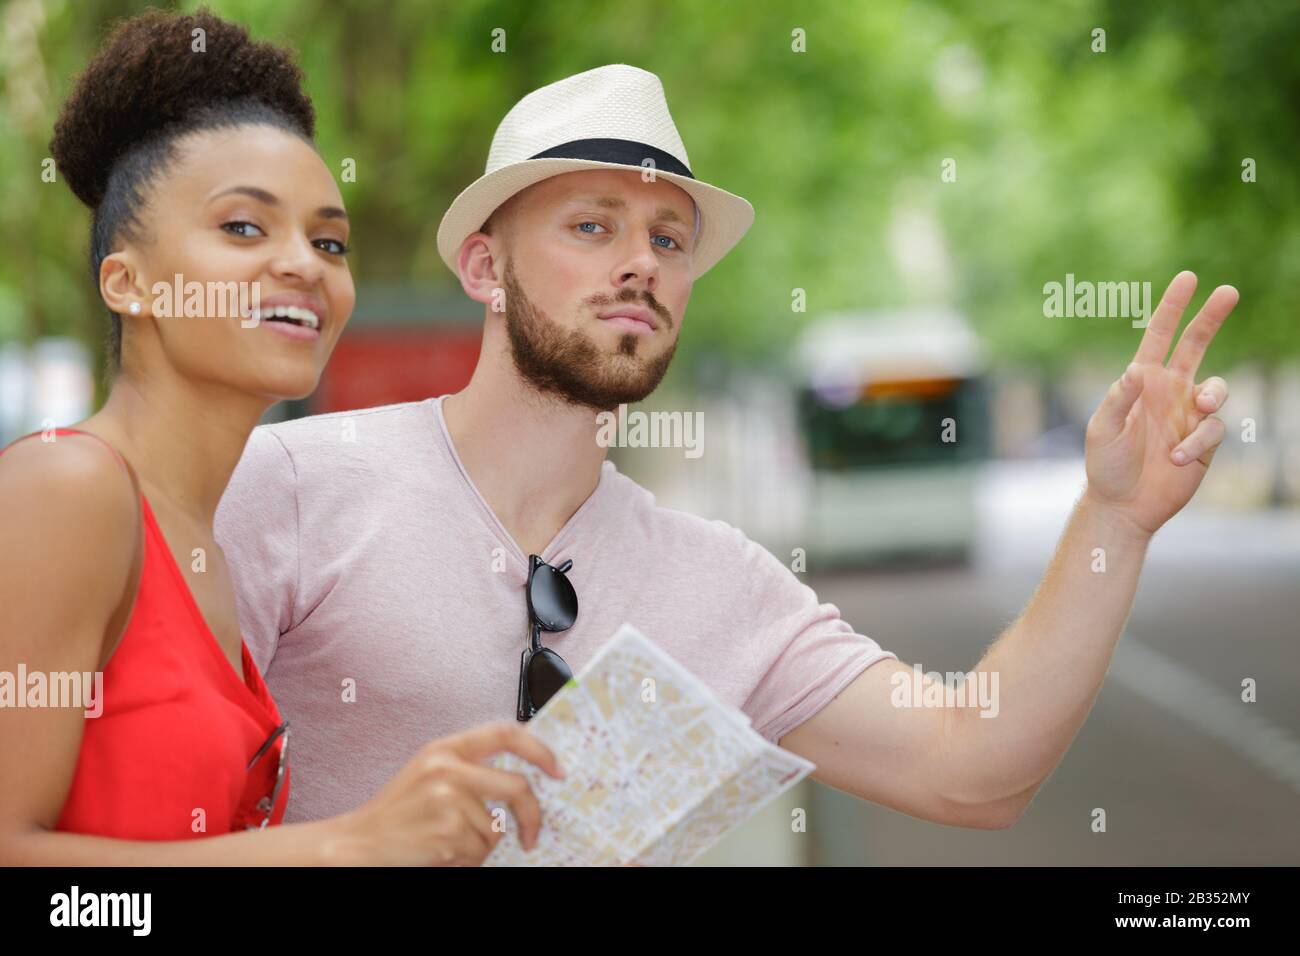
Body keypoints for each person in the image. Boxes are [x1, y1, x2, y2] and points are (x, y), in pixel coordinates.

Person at [215, 64, 1237, 833]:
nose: (638, 264)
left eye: (668, 239)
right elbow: (116, 845)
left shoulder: (719, 582)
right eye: (591, 225)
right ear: (487, 265)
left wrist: (1113, 518)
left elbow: (971, 764)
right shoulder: (292, 485)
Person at [0, 8, 560, 867]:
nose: (303, 263)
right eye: (243, 228)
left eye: (328, 240)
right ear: (128, 282)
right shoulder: (65, 489)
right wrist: (346, 845)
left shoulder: (209, 553)